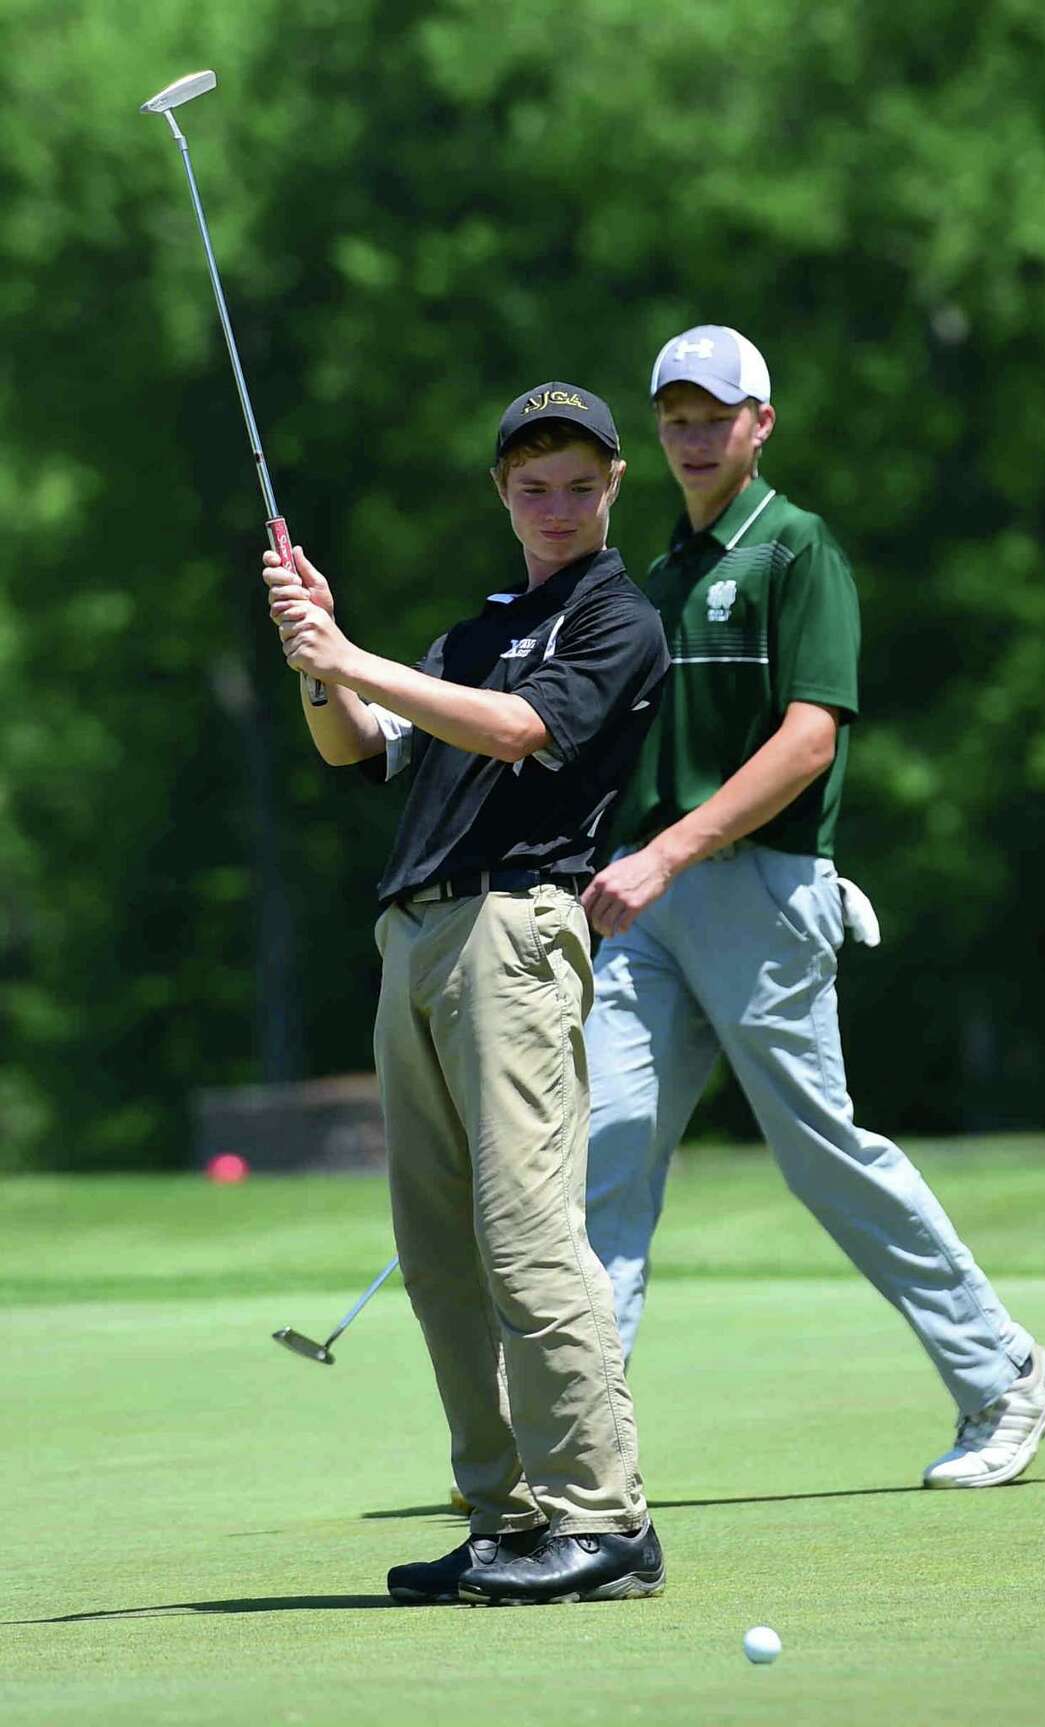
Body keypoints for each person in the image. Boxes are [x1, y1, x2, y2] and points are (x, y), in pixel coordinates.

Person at [581, 327, 1045, 1490]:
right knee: (606, 1146)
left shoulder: (798, 551)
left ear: (762, 424)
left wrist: (669, 853)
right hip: (653, 903)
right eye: (676, 417)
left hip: (760, 889)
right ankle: (574, 1427)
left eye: (717, 415)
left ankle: (1006, 1371)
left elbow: (808, 741)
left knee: (822, 1156)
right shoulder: (661, 575)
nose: (694, 437)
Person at [263, 381, 669, 1604]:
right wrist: (316, 661)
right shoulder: (473, 630)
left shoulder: (618, 617)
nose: (557, 504)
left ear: (612, 488)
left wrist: (355, 655)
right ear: (503, 491)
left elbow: (513, 731)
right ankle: (507, 1518)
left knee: (528, 1236)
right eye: (534, 485)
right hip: (418, 937)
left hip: (515, 931)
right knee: (438, 1252)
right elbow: (358, 745)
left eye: (580, 485)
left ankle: (603, 1518)